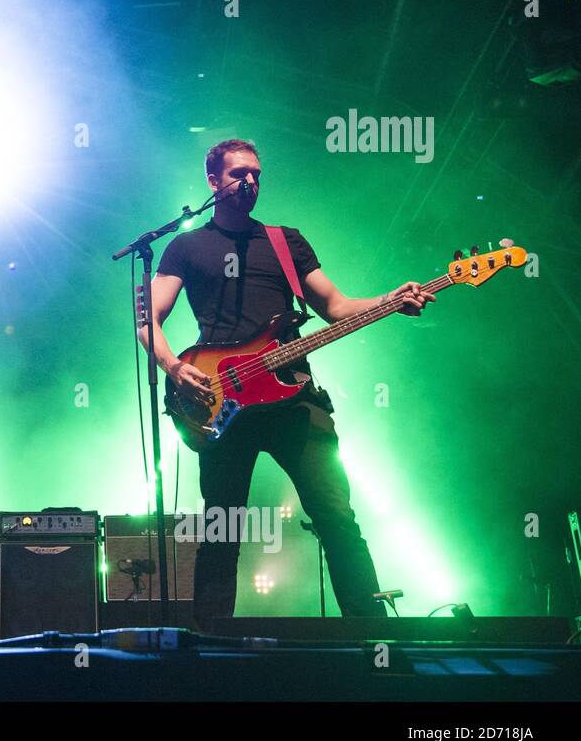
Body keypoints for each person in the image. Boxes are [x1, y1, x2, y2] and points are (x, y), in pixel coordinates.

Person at [140, 138, 434, 624]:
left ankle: (376, 638)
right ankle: (210, 647)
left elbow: (335, 308)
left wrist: (389, 299)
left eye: (256, 173)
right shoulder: (186, 246)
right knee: (221, 529)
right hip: (220, 400)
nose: (250, 181)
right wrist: (173, 365)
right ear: (213, 181)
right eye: (238, 173)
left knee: (337, 516)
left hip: (293, 393)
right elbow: (148, 318)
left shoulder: (285, 240)